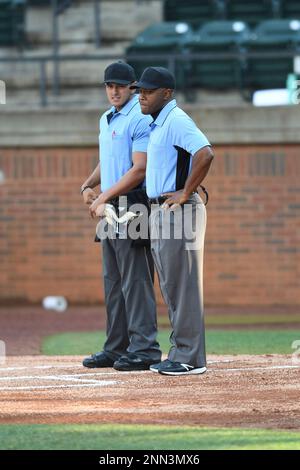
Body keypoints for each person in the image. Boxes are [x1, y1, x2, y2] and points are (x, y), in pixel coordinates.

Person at [130, 66, 214, 376]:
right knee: (171, 283)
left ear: (166, 93)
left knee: (183, 286)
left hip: (179, 209)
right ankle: (181, 352)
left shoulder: (176, 120)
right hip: (162, 209)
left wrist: (185, 192)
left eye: (148, 91)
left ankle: (190, 358)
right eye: (139, 90)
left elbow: (205, 153)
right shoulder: (157, 123)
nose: (141, 95)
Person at [81, 61, 161, 371]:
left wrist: (102, 195)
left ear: (132, 87)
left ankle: (145, 349)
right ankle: (116, 348)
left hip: (134, 205)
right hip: (110, 206)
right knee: (113, 282)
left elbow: (139, 168)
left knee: (136, 280)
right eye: (109, 85)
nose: (114, 90)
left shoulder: (139, 118)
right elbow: (109, 160)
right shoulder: (106, 119)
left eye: (120, 85)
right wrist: (89, 184)